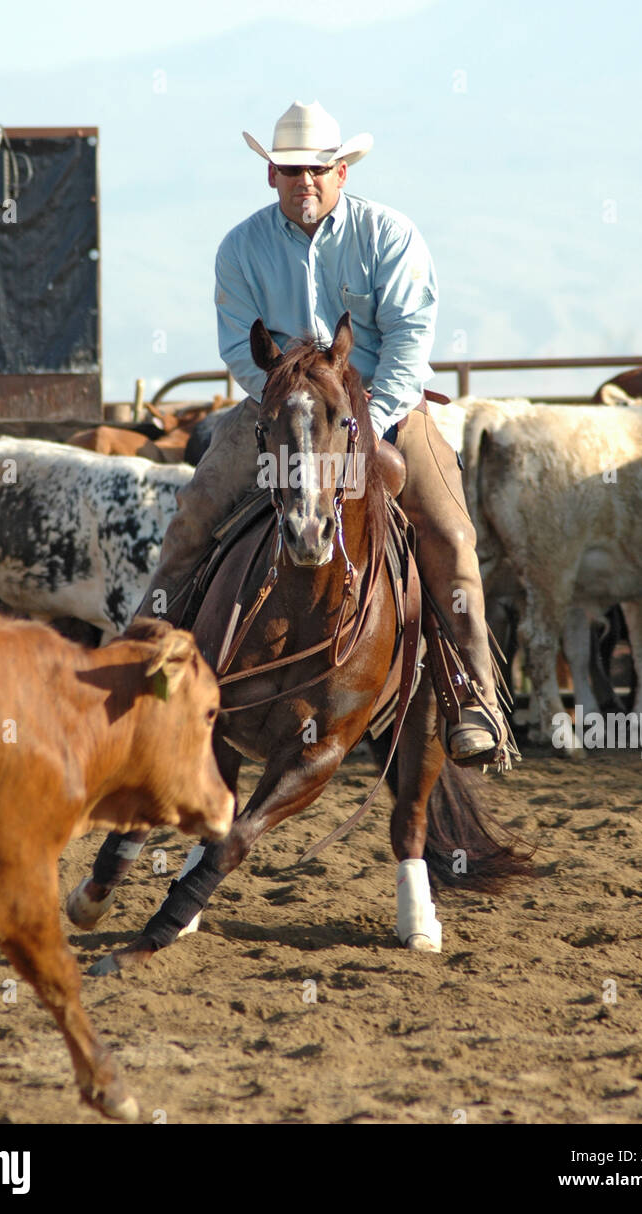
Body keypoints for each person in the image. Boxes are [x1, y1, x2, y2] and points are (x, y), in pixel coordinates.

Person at [138, 100, 508, 763]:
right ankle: (148, 653)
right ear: (270, 175)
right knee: (195, 514)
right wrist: (290, 410)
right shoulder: (240, 248)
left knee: (449, 531)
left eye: (317, 169)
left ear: (341, 171)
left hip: (385, 410)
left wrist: (365, 426)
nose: (304, 182)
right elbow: (237, 349)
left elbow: (408, 341)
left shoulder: (389, 235)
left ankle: (474, 694)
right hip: (277, 411)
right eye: (290, 170)